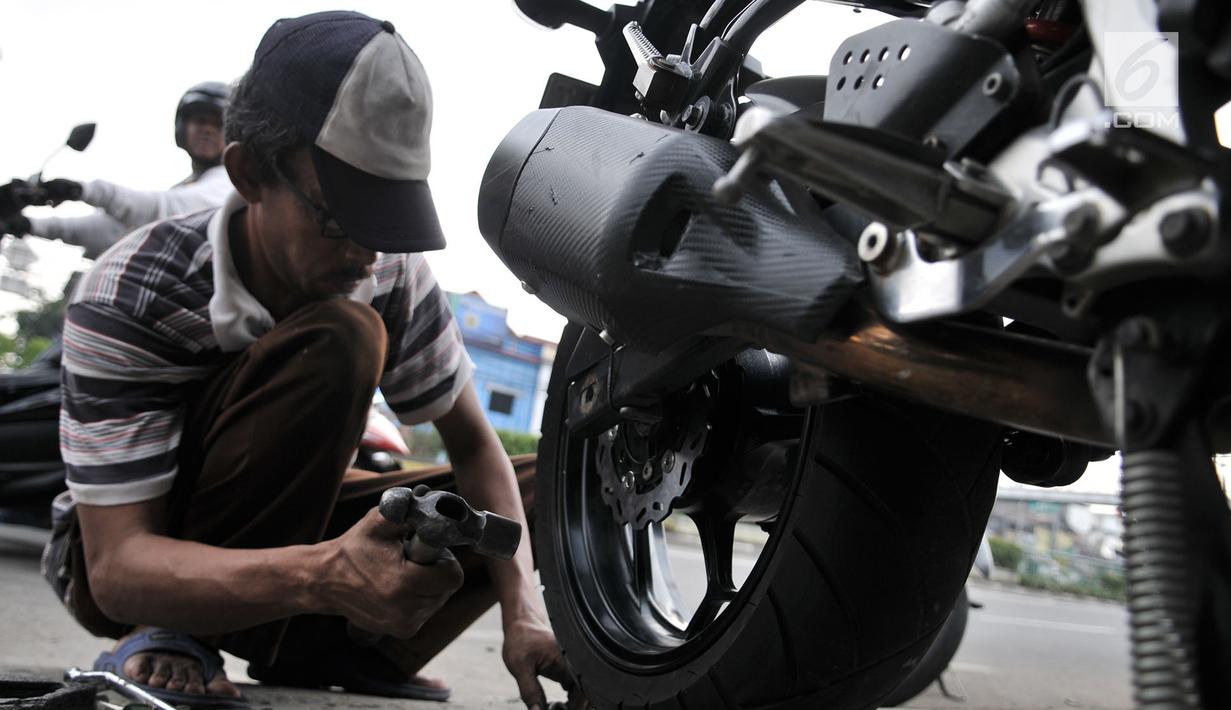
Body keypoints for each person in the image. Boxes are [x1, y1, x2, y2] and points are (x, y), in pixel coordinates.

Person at [47, 11, 578, 710]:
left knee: (552, 485)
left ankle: (339, 648)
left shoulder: (388, 268)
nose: (365, 255)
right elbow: (116, 567)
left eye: (384, 220)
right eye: (337, 218)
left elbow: (476, 447)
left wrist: (523, 614)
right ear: (248, 173)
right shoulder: (133, 290)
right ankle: (178, 628)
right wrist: (324, 573)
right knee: (341, 336)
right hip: (133, 560)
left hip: (295, 549)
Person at [7, 82, 231, 258]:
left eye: (218, 124)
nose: (208, 130)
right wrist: (30, 225)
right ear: (182, 127)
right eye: (200, 121)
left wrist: (83, 191)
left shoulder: (228, 183)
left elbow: (165, 208)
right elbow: (114, 230)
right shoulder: (188, 186)